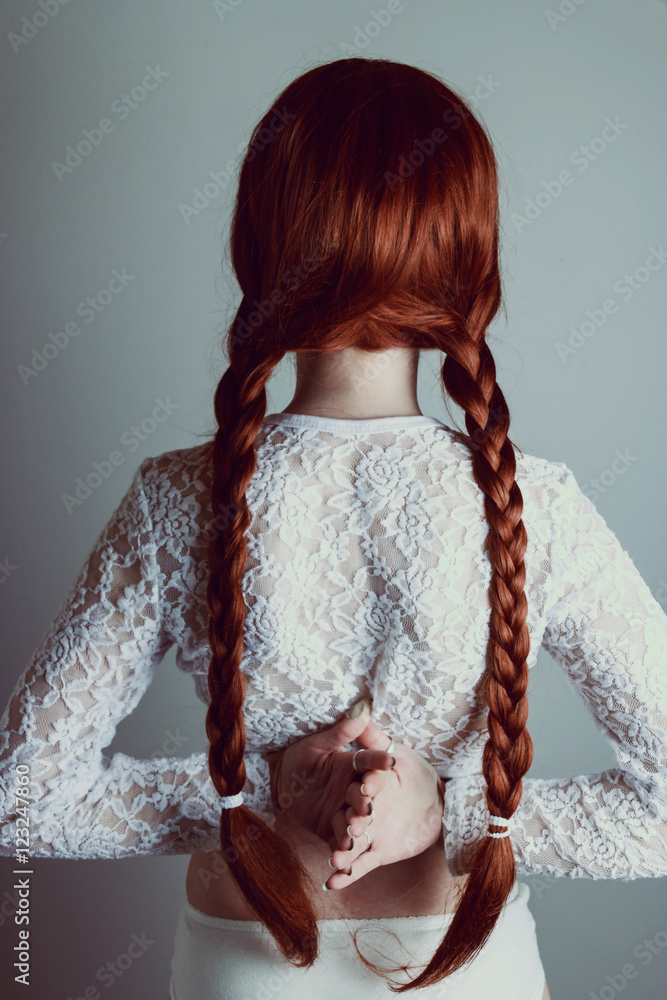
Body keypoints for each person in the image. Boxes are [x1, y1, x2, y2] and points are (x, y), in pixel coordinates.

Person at [2, 56, 666, 1000]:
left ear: (257, 246)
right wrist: (450, 812)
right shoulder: (537, 501)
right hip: (472, 971)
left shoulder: (175, 497)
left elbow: (24, 799)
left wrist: (254, 800)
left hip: (248, 966)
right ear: (466, 258)